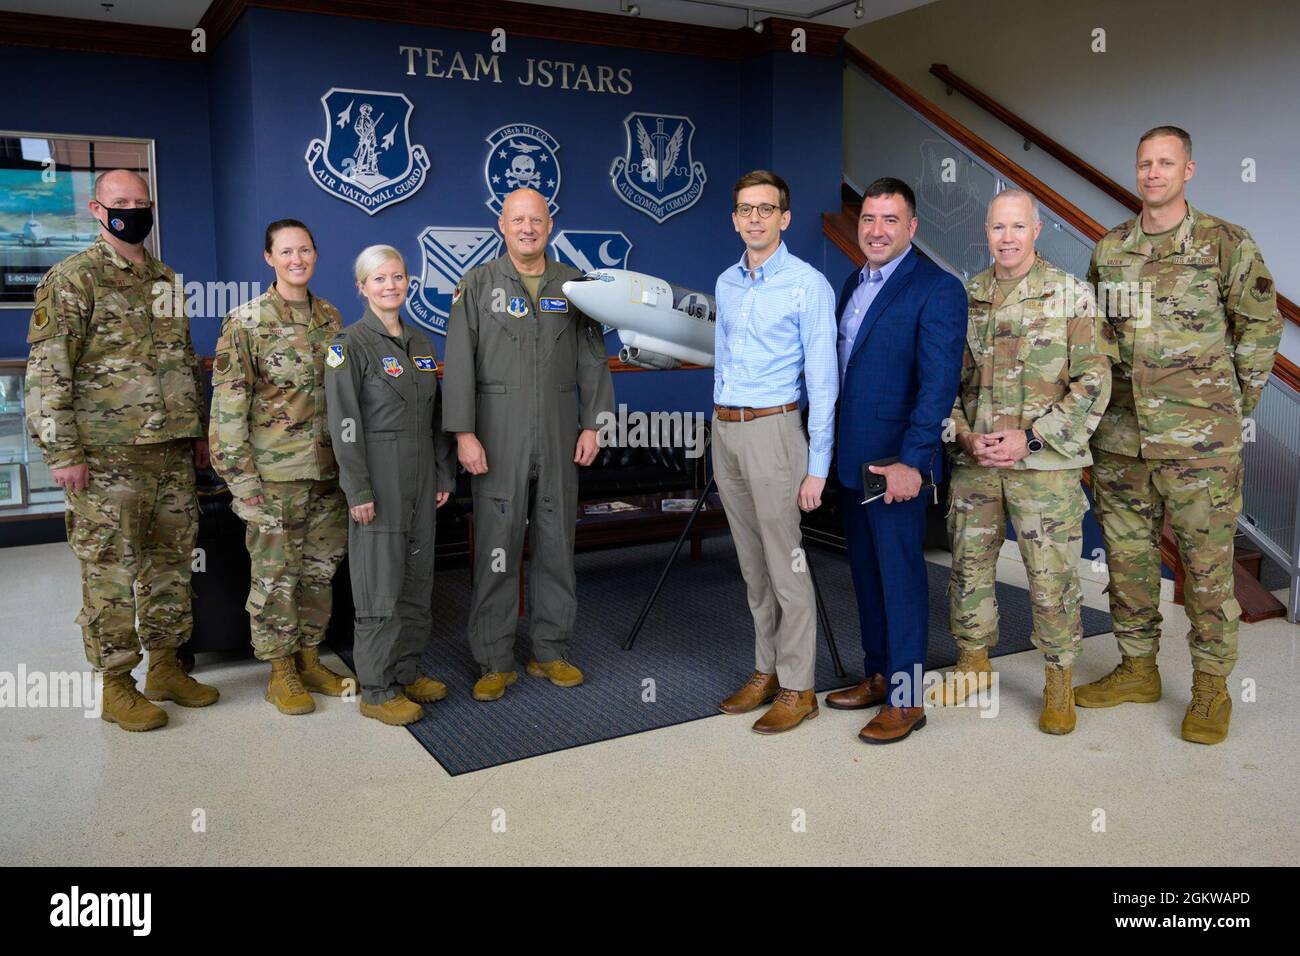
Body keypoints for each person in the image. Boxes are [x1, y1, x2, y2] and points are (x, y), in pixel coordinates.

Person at [1078, 126, 1282, 744]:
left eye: (1166, 163)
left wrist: (1226, 408)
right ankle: (1139, 669)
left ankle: (1211, 689)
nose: (1153, 173)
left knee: (1208, 570)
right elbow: (1095, 338)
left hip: (1200, 447)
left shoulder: (1226, 244)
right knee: (1128, 562)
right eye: (1145, 164)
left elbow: (1259, 330)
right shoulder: (1110, 249)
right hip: (1120, 441)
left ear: (1188, 170)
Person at [24, 168, 217, 731]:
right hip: (105, 458)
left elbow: (181, 361)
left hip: (171, 452)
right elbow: (48, 372)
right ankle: (114, 685)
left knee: (170, 567)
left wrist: (198, 432)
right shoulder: (72, 279)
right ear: (96, 209)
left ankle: (165, 667)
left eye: (141, 200)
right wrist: (62, 453)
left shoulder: (164, 278)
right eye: (120, 201)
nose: (133, 209)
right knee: (109, 571)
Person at [937, 189, 1115, 734]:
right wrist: (963, 437)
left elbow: (1094, 381)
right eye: (997, 228)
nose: (1007, 238)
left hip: (1044, 468)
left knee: (1052, 576)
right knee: (968, 567)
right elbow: (944, 383)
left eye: (1018, 227)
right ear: (985, 233)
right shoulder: (964, 296)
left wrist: (1031, 440)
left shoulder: (1070, 295)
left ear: (1037, 230)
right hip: (977, 465)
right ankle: (973, 663)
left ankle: (1058, 681)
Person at [442, 188, 615, 702]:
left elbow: (592, 358)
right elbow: (460, 363)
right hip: (497, 435)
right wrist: (464, 433)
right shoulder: (476, 284)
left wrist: (594, 423)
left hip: (561, 431)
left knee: (557, 543)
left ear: (549, 224)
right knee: (497, 547)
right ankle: (494, 658)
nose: (527, 228)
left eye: (536, 220)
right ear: (502, 224)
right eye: (518, 220)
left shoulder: (575, 286)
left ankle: (551, 650)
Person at [826, 177, 966, 744]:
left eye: (890, 221)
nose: (876, 230)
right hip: (850, 459)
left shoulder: (937, 288)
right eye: (868, 220)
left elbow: (937, 386)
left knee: (902, 577)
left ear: (911, 228)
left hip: (896, 465)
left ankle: (908, 700)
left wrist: (915, 461)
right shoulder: (852, 282)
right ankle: (880, 674)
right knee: (864, 573)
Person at [711, 170, 838, 735]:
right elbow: (722, 362)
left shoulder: (808, 285)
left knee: (787, 565)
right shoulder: (726, 282)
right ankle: (764, 669)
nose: (755, 219)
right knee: (751, 565)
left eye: (766, 209)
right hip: (727, 432)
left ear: (784, 218)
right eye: (745, 209)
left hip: (776, 432)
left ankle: (798, 686)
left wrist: (817, 466)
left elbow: (825, 383)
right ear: (735, 218)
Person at [210, 219, 351, 715]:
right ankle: (281, 671)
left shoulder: (330, 317)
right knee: (274, 577)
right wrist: (240, 481)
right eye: (287, 251)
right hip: (273, 476)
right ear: (269, 258)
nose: (298, 259)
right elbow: (229, 406)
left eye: (306, 250)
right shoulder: (245, 322)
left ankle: (311, 658)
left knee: (318, 572)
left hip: (328, 474)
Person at [325, 246, 457, 725]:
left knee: (416, 581)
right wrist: (357, 489)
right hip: (377, 477)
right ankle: (378, 689)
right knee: (378, 585)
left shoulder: (421, 343)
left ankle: (407, 669)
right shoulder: (349, 345)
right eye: (379, 279)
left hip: (422, 475)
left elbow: (437, 417)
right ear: (362, 287)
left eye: (398, 277)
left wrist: (443, 472)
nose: (390, 286)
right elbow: (344, 423)